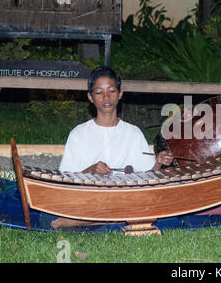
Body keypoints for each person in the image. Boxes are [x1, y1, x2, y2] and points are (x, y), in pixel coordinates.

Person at [52, 66, 173, 228]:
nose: (106, 97)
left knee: (150, 199)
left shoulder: (133, 132)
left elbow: (148, 178)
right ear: (90, 97)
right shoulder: (78, 134)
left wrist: (158, 162)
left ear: (120, 94)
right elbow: (65, 184)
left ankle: (73, 222)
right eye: (99, 92)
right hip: (89, 200)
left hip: (124, 198)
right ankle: (110, 217)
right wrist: (91, 170)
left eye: (111, 91)